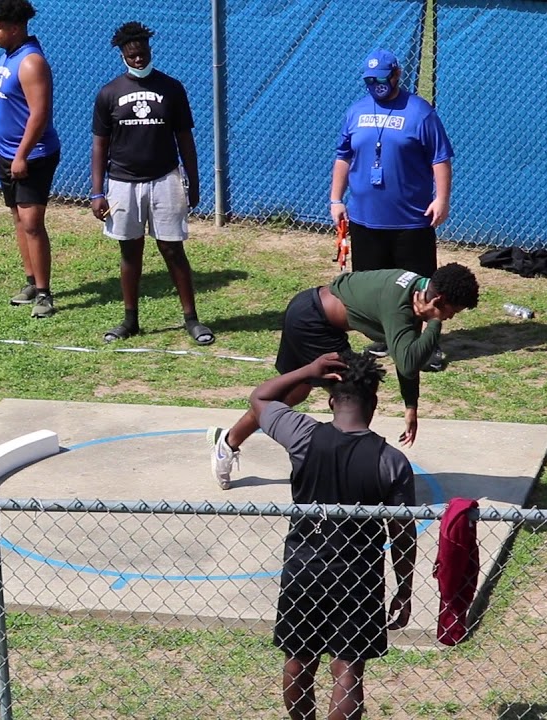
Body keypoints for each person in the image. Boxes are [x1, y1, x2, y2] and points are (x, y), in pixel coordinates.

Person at [251, 350, 417, 720]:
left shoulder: (303, 436)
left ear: (330, 400)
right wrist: (404, 588)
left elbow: (260, 397)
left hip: (303, 569)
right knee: (347, 667)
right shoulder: (391, 460)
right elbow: (403, 534)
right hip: (359, 576)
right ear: (374, 402)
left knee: (298, 659)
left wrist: (308, 370)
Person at [207, 264, 478, 489]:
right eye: (452, 312)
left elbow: (405, 353)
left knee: (294, 394)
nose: (451, 318)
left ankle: (227, 443)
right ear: (438, 300)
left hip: (307, 308)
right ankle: (352, 469)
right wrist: (434, 322)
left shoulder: (418, 292)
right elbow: (408, 363)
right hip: (312, 323)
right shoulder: (405, 307)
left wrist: (411, 405)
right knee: (356, 393)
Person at [329, 49, 454, 369]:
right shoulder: (356, 111)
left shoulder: (420, 112)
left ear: (397, 75)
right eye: (370, 81)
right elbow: (344, 157)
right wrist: (336, 199)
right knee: (372, 285)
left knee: (419, 284)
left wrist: (441, 199)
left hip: (410, 220)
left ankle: (424, 345)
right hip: (365, 218)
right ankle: (385, 336)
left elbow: (440, 158)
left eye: (382, 79)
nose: (376, 86)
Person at [91, 21, 212, 346]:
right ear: (122, 55)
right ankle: (130, 320)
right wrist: (97, 191)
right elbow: (100, 145)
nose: (138, 59)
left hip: (165, 179)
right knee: (130, 251)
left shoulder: (172, 88)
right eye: (132, 56)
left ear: (150, 50)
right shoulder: (109, 93)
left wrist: (193, 181)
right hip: (122, 183)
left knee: (172, 249)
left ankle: (192, 319)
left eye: (142, 53)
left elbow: (185, 139)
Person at [0, 0, 62, 318]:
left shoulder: (31, 62)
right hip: (6, 153)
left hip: (33, 156)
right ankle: (30, 282)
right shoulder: (7, 56)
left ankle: (44, 294)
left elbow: (39, 115)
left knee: (32, 223)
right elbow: (1, 104)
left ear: (15, 29)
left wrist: (22, 155)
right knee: (18, 218)